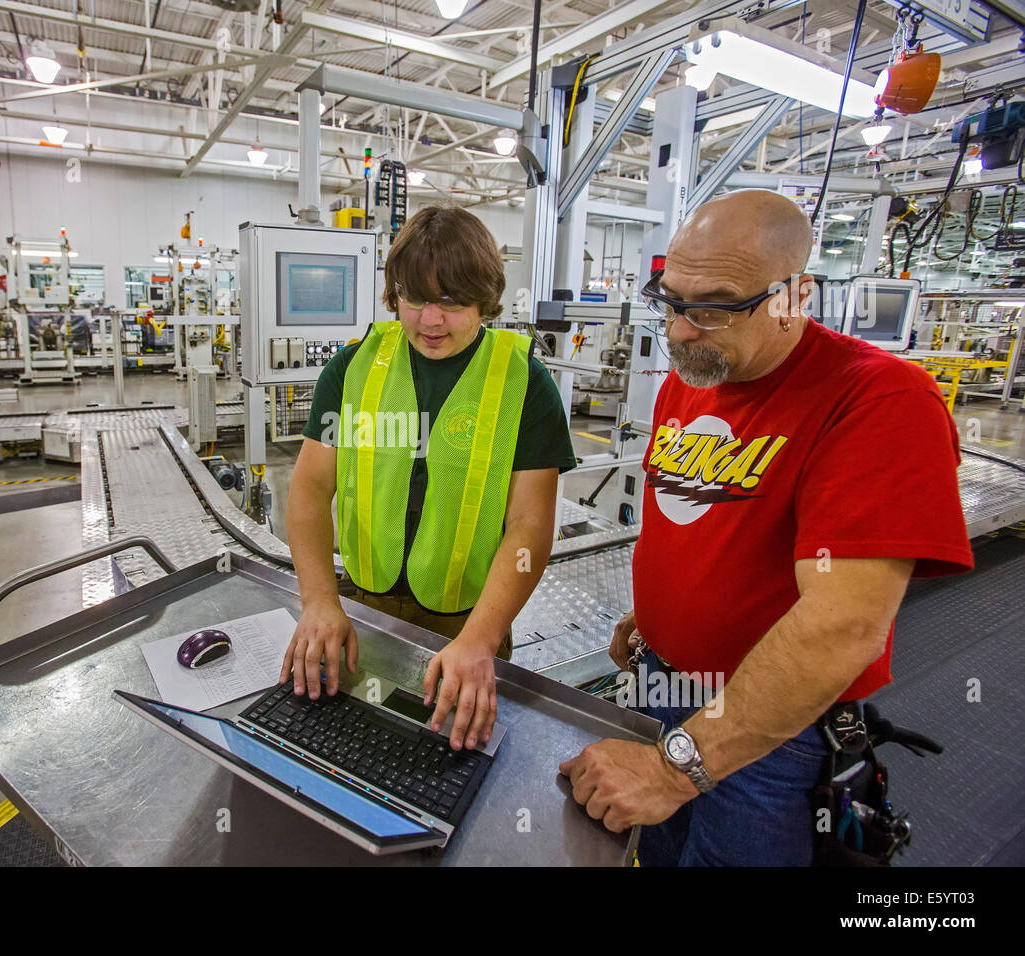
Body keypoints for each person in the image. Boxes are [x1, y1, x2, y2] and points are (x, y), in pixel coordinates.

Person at [558, 189, 973, 865]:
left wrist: (673, 769)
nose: (682, 331)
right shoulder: (691, 377)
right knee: (655, 853)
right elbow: (713, 519)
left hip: (767, 728)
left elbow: (843, 626)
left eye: (715, 308)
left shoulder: (881, 401)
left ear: (794, 296)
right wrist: (664, 616)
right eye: (672, 300)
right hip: (658, 681)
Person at [280, 204, 576, 751]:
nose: (430, 321)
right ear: (395, 294)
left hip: (467, 622)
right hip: (358, 605)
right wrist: (319, 600)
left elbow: (530, 529)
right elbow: (311, 488)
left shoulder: (524, 384)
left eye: (452, 302)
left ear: (485, 299)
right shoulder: (352, 369)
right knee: (346, 747)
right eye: (414, 299)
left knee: (444, 762)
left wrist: (481, 641)